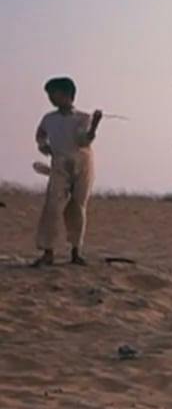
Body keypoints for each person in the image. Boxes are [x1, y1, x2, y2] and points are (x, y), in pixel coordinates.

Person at [32, 76, 103, 267]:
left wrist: (95, 124)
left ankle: (75, 251)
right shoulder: (49, 118)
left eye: (54, 94)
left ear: (67, 95)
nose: (51, 98)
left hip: (82, 163)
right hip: (59, 163)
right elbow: (40, 134)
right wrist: (42, 145)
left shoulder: (83, 117)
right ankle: (48, 251)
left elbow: (83, 140)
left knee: (78, 206)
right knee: (53, 206)